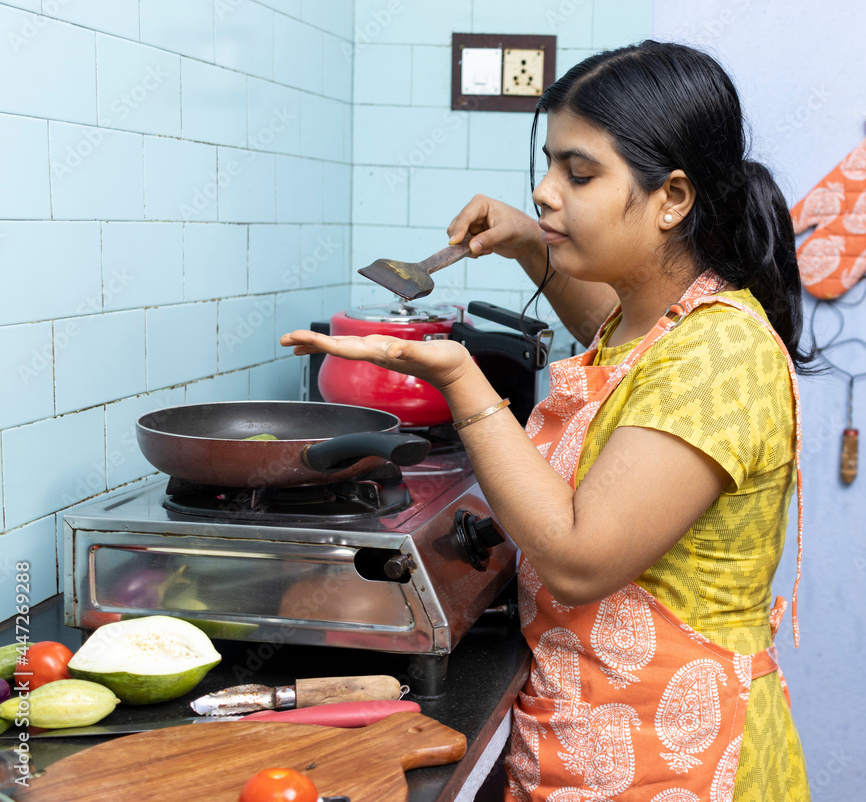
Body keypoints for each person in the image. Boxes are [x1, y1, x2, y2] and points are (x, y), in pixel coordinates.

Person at [282, 40, 810, 802]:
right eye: (549, 164)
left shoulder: (721, 353)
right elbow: (622, 355)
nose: (544, 190)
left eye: (579, 172)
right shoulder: (657, 320)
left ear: (673, 198)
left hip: (681, 760)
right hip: (590, 735)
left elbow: (577, 557)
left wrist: (463, 379)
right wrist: (535, 247)